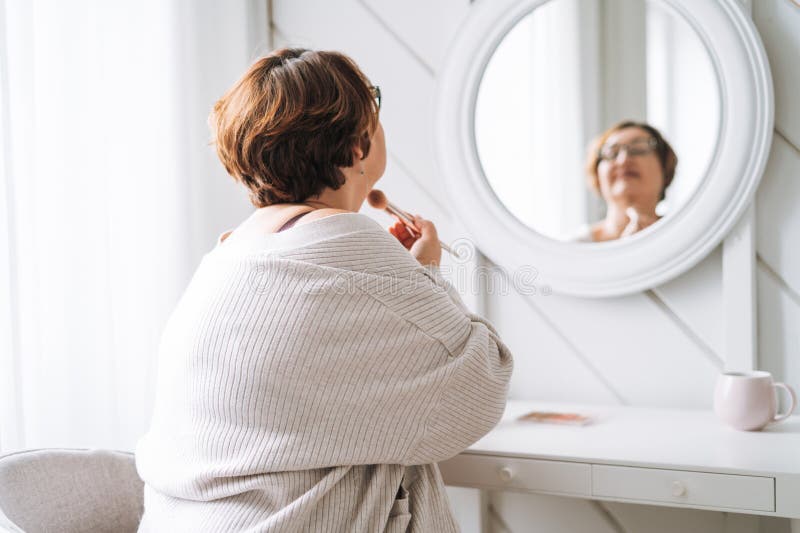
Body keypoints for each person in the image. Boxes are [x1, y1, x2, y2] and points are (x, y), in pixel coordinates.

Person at [134, 48, 513, 532]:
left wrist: (405, 278)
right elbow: (481, 388)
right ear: (358, 146)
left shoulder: (228, 253)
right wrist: (427, 274)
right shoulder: (348, 242)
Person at [578, 121, 678, 242]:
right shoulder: (575, 247)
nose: (623, 160)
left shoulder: (684, 237)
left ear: (665, 168)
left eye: (638, 149)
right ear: (597, 174)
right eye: (612, 153)